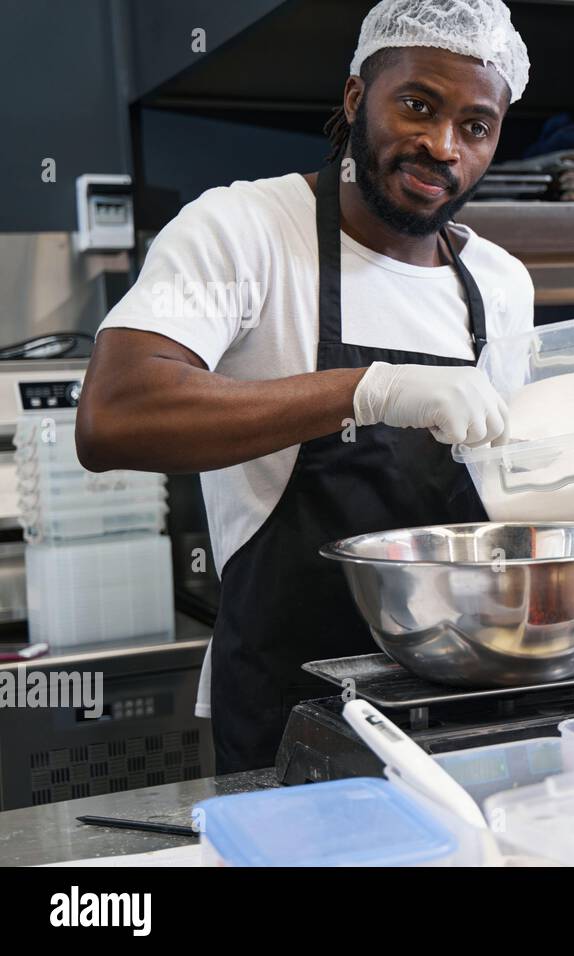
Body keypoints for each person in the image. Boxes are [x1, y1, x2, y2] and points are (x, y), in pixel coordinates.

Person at [76, 0, 539, 773]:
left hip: (470, 708)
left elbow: (508, 494)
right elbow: (115, 415)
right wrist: (369, 389)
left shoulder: (500, 283)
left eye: (475, 126)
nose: (441, 146)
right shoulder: (244, 229)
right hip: (295, 718)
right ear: (358, 97)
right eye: (418, 104)